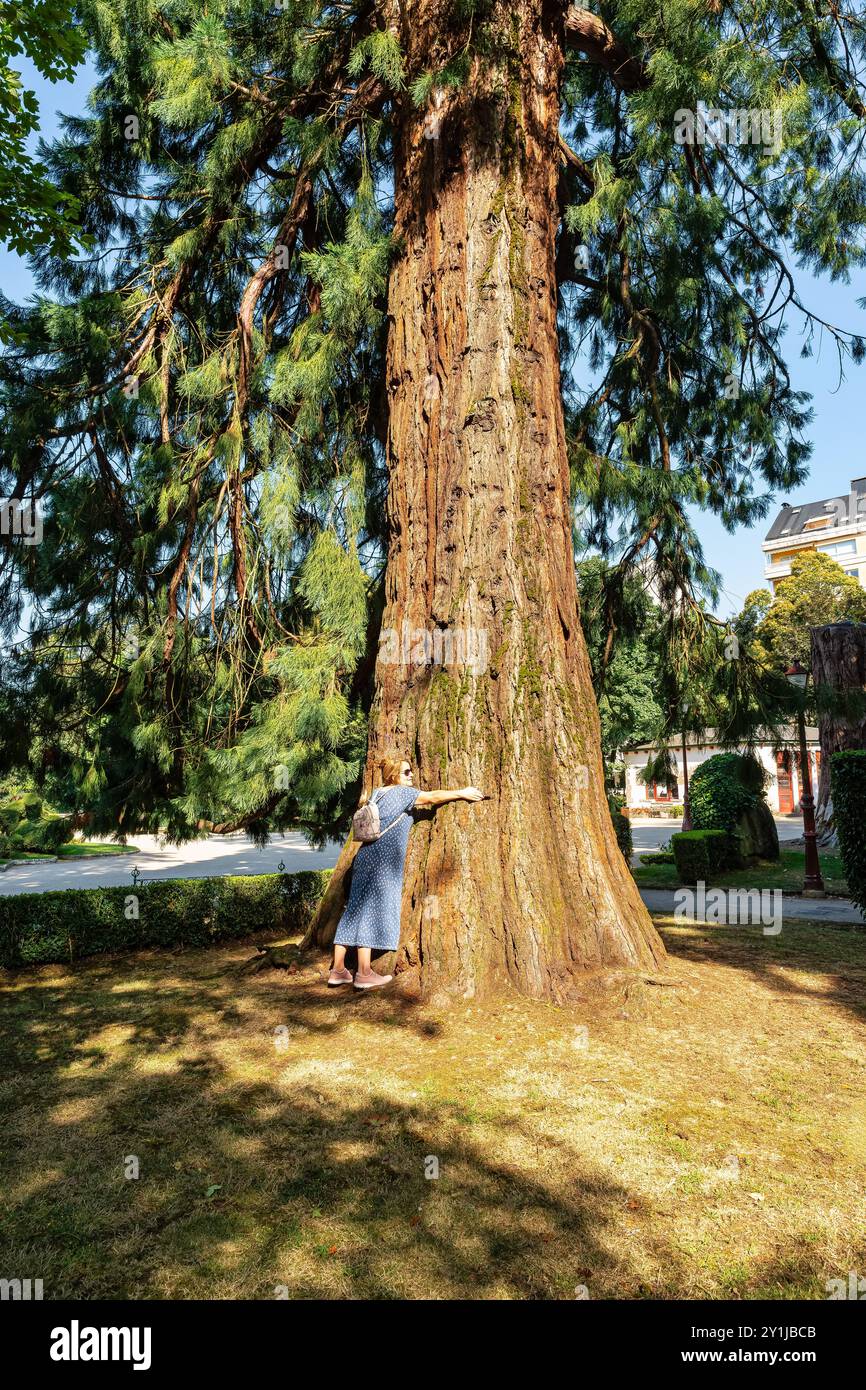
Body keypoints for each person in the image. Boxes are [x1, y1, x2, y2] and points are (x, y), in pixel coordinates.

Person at [328, 756, 485, 989]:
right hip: (382, 861)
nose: (412, 775)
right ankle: (363, 973)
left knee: (354, 910)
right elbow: (432, 797)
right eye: (406, 772)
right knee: (372, 911)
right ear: (394, 776)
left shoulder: (377, 793)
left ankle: (338, 970)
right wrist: (462, 792)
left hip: (363, 858)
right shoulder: (402, 794)